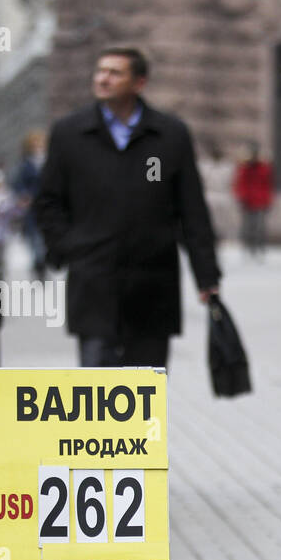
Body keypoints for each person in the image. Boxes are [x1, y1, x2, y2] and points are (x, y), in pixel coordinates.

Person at [35, 47, 220, 368]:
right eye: (100, 71)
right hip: (93, 279)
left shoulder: (169, 135)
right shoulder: (70, 133)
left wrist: (207, 276)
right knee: (96, 393)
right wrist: (68, 247)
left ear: (139, 83)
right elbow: (49, 200)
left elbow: (192, 209)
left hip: (152, 282)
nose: (103, 79)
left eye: (114, 73)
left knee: (144, 392)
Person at [11, 129, 48, 280]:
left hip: (46, 206)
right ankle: (38, 264)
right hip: (32, 208)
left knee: (43, 238)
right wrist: (24, 196)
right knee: (34, 238)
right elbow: (17, 184)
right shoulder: (25, 165)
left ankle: (41, 263)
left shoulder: (50, 162)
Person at [232, 142, 273, 260]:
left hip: (260, 201)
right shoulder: (245, 168)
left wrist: (267, 200)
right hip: (248, 201)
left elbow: (267, 185)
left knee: (259, 227)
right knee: (248, 226)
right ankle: (248, 247)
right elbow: (241, 183)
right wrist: (241, 197)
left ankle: (259, 247)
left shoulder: (264, 168)